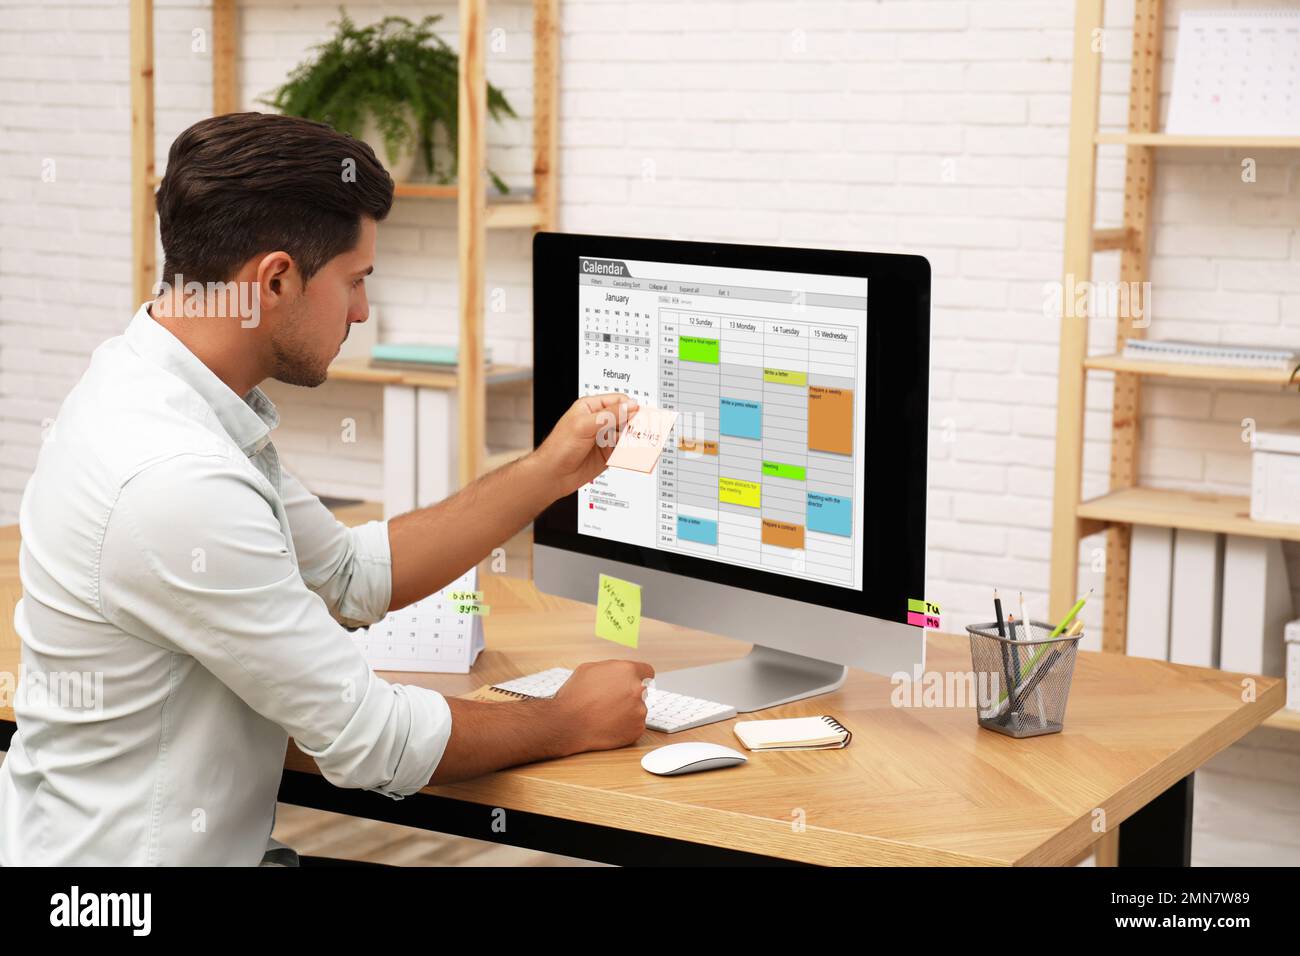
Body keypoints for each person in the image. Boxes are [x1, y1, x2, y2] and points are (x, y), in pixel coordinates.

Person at [0, 112, 651, 866]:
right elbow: (372, 740)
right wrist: (565, 720)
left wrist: (549, 472)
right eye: (355, 280)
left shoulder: (156, 382)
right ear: (274, 280)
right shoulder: (174, 478)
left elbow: (348, 575)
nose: (362, 311)